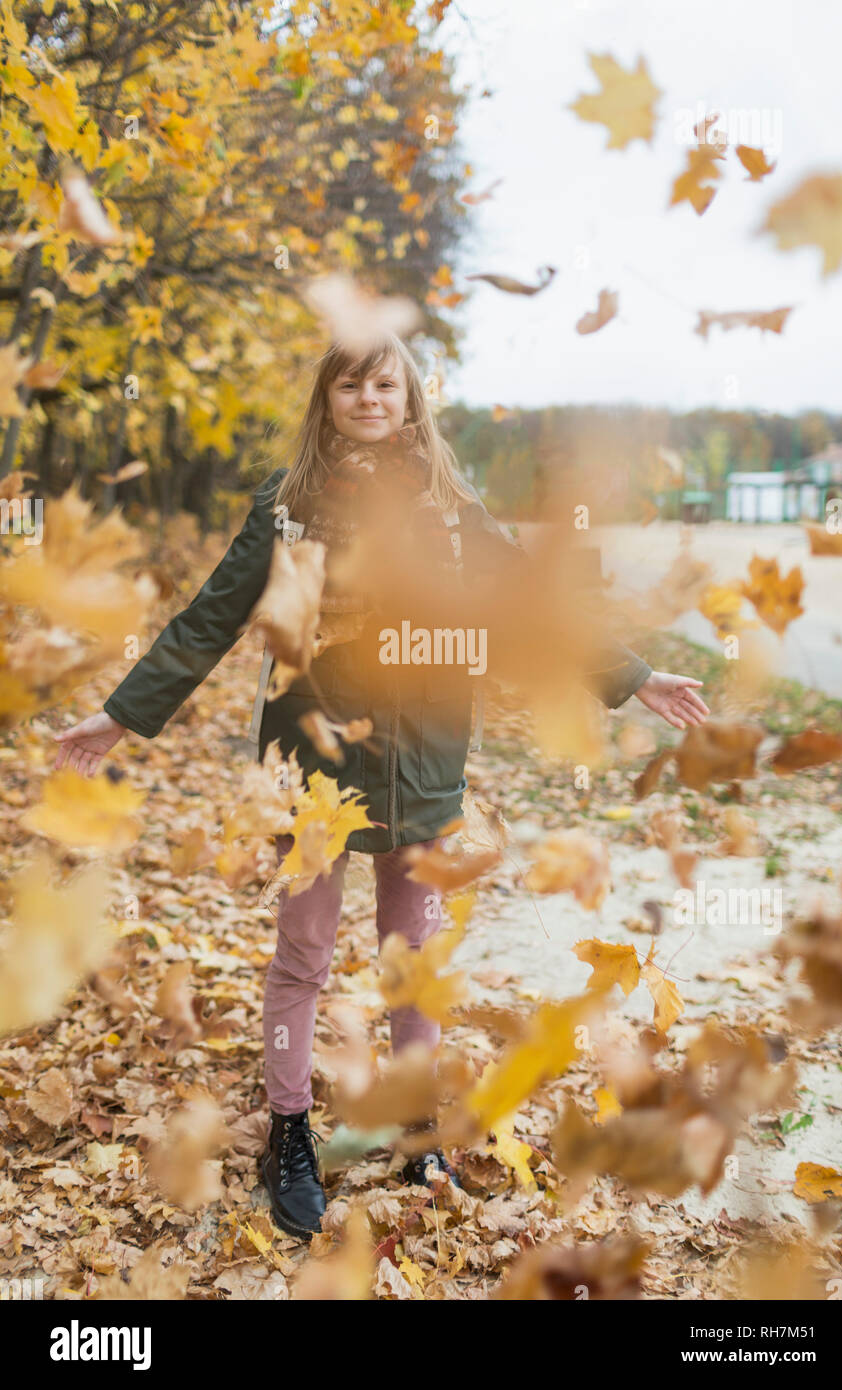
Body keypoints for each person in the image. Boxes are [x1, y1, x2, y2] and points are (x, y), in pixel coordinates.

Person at [54, 332, 710, 1240]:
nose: (368, 398)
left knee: (415, 961)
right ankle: (288, 1132)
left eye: (384, 384)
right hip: (314, 773)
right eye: (351, 384)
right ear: (328, 399)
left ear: (410, 398)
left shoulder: (448, 506)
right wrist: (121, 716)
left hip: (425, 764)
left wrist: (634, 677)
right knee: (304, 956)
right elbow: (210, 617)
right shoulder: (286, 508)